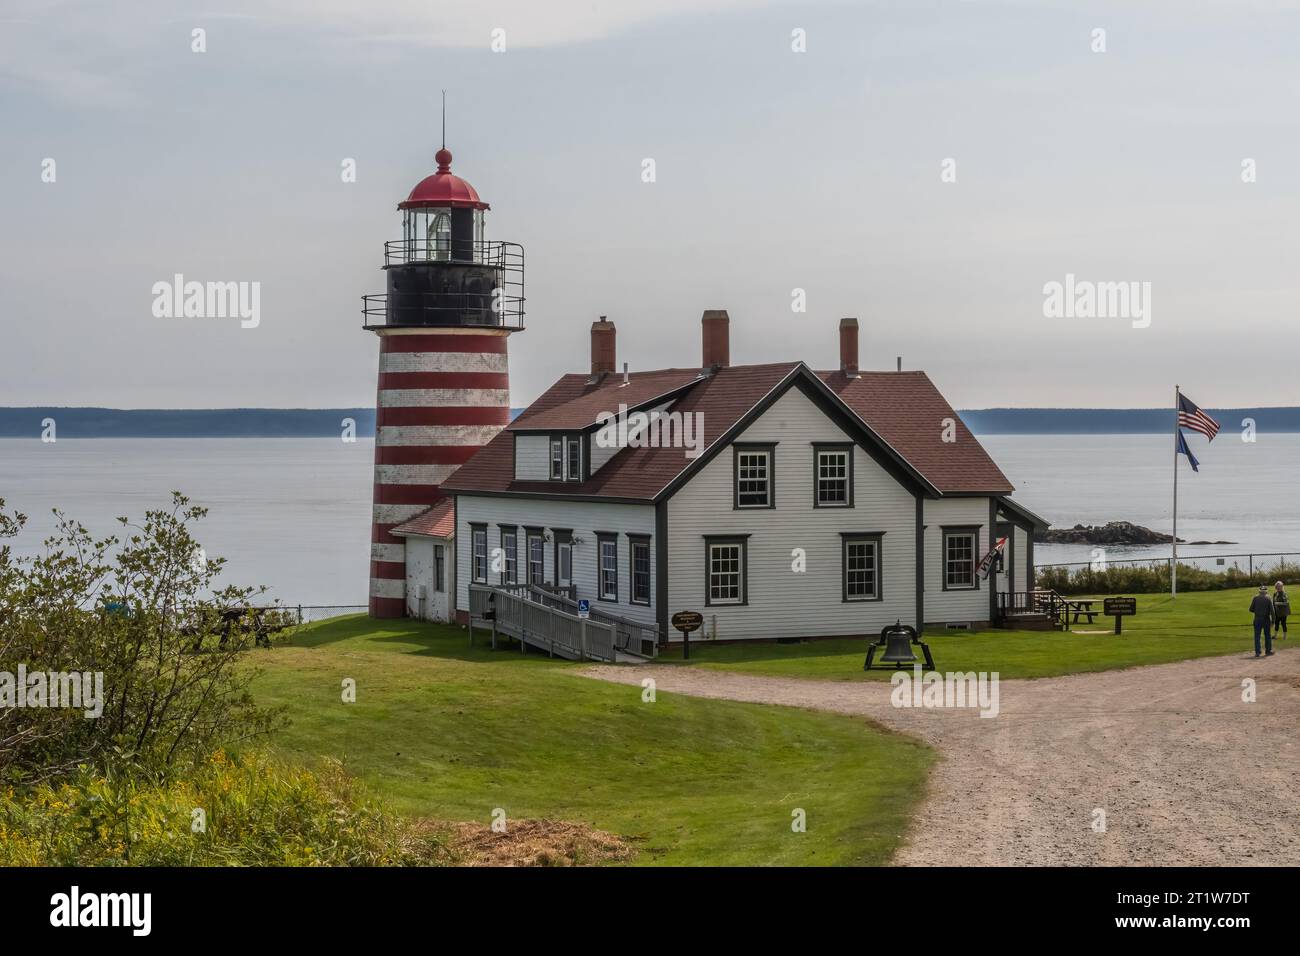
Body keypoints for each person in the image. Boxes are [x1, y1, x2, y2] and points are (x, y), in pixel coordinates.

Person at [1249, 585, 1275, 658]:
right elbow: (1272, 611)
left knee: (1257, 636)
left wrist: (1257, 611)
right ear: (1266, 591)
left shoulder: (1255, 598)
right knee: (1267, 636)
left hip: (1257, 619)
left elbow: (1251, 609)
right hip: (1266, 619)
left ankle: (1257, 652)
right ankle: (1268, 651)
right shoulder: (1268, 598)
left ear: (1259, 591)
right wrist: (1273, 621)